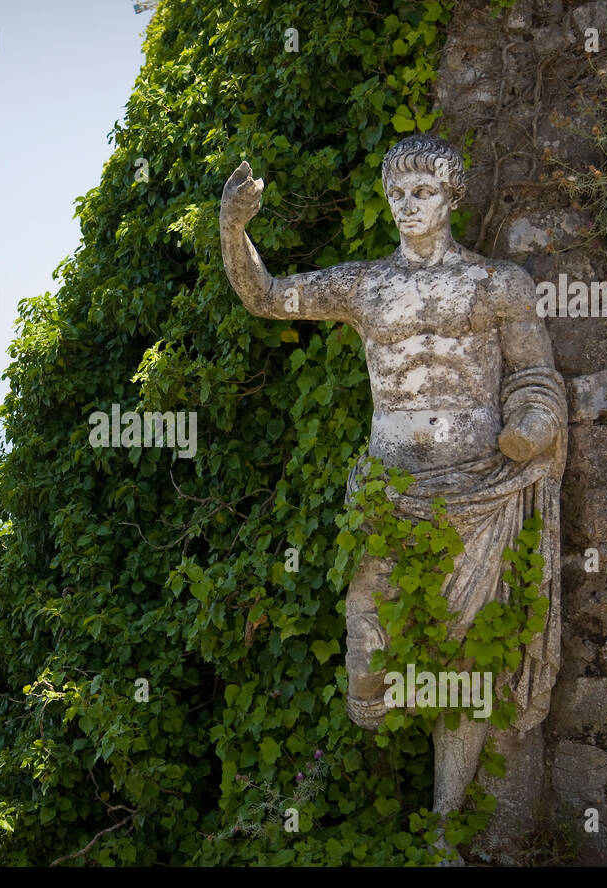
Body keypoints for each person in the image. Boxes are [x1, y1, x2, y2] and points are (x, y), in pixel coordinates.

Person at [219, 133, 567, 823]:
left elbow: (534, 375)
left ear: (452, 197)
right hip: (389, 490)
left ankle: (441, 822)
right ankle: (372, 794)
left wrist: (532, 426)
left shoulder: (498, 284)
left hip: (480, 486)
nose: (409, 205)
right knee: (367, 645)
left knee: (466, 663)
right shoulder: (364, 285)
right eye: (398, 193)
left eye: (424, 192)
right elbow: (266, 296)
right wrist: (234, 230)